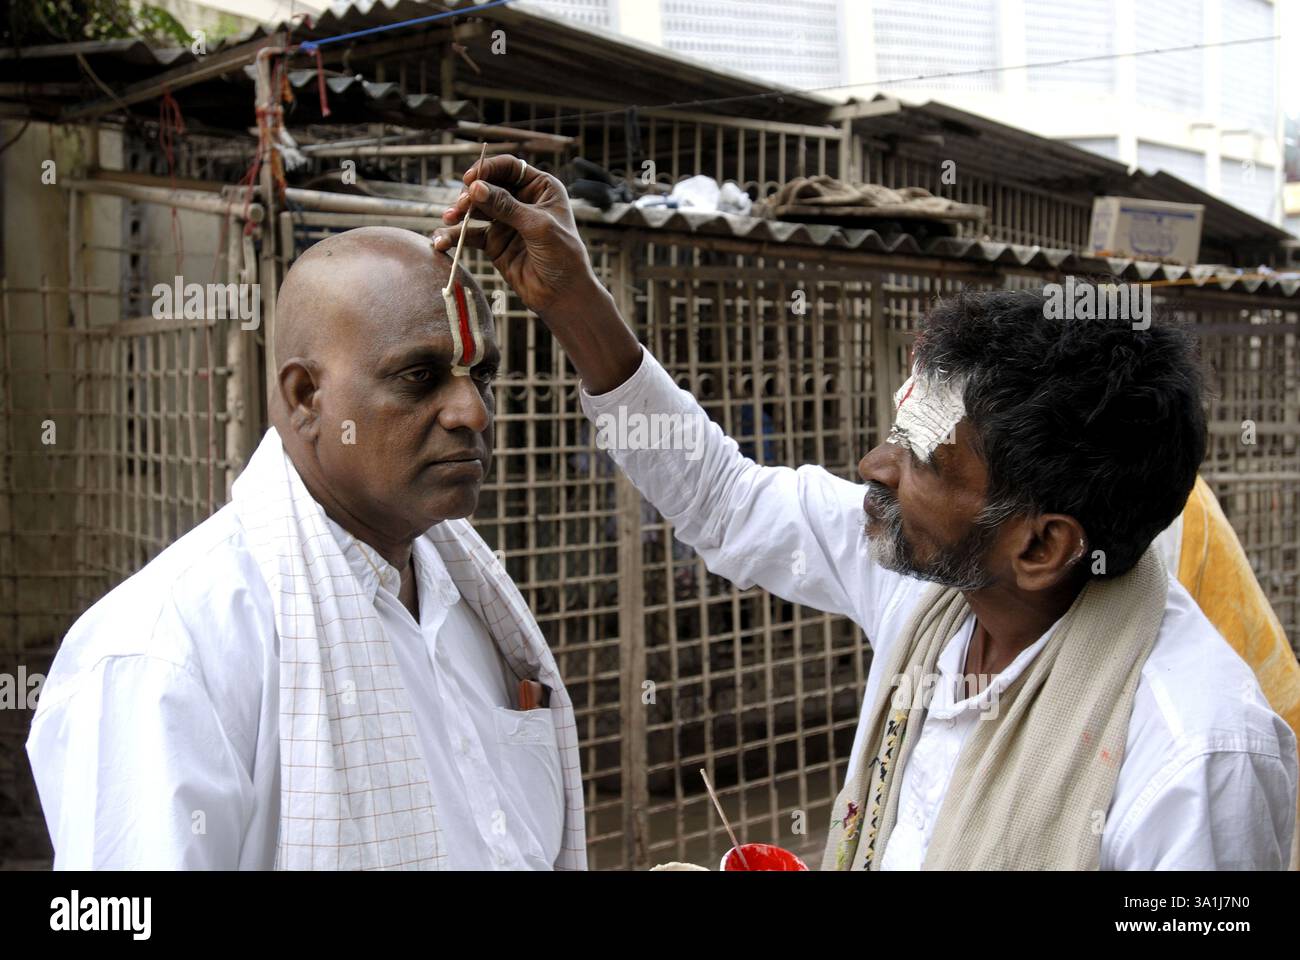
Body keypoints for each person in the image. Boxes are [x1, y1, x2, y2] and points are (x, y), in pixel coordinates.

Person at [434, 155, 1298, 869]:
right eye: (897, 429)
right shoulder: (934, 588)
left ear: (1041, 545)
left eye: (922, 458)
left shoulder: (1198, 760)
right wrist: (575, 301)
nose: (873, 467)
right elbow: (724, 500)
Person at [27, 226, 586, 870]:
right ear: (305, 398)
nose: (473, 412)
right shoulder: (167, 650)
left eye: (480, 374)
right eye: (420, 376)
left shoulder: (467, 597)